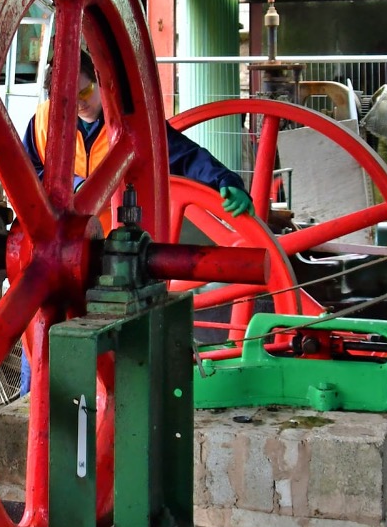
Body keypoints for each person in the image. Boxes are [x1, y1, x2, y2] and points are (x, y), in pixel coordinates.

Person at [18, 50, 254, 393]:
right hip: (56, 246)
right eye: (68, 99)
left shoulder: (128, 124)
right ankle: (33, 403)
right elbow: (28, 173)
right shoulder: (42, 122)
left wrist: (224, 180)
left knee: (99, 336)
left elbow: (184, 156)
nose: (79, 104)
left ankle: (100, 404)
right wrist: (72, 187)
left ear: (100, 83)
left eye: (85, 93)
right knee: (42, 332)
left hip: (107, 250)